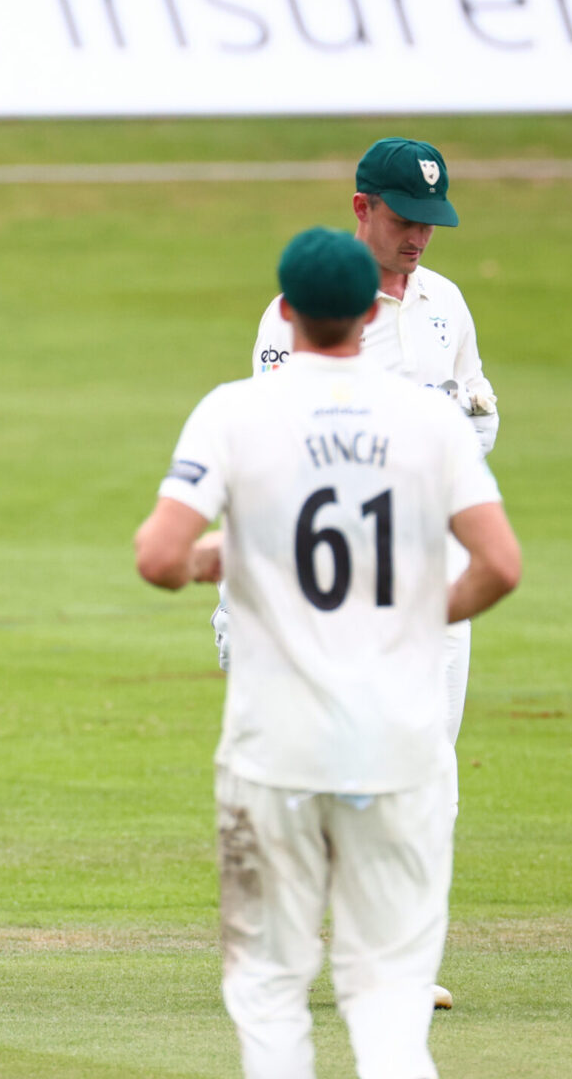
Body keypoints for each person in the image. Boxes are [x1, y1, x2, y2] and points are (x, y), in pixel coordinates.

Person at [135, 227, 521, 1079]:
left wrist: (215, 559)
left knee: (271, 998)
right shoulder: (431, 418)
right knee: (391, 1009)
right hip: (397, 740)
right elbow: (500, 565)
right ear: (371, 315)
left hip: (275, 745)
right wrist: (413, 618)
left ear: (287, 313)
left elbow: (158, 556)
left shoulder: (233, 411)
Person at [222, 138, 498, 1009]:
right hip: (335, 579)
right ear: (361, 209)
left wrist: (469, 417)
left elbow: (474, 412)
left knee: (428, 765)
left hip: (434, 571)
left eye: (431, 223)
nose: (419, 237)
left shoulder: (446, 303)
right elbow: (278, 440)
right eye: (405, 219)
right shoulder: (301, 309)